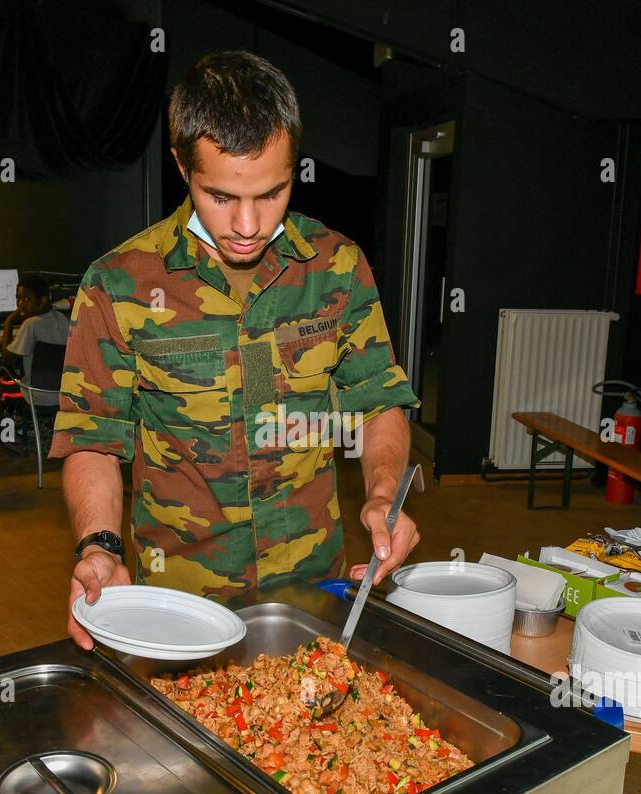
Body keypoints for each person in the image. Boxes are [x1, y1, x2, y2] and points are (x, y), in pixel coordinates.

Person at [52, 52, 421, 648]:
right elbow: (93, 436)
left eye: (273, 193)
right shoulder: (118, 284)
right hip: (180, 603)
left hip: (313, 590)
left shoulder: (338, 267)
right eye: (221, 196)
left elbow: (378, 400)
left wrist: (383, 494)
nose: (248, 225)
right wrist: (100, 545)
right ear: (182, 165)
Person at [0, 273, 71, 467]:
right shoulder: (63, 320)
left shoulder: (30, 325)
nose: (20, 305)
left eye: (27, 299)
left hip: (36, 396)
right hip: (63, 395)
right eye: (18, 299)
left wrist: (9, 322)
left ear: (43, 300)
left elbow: (6, 359)